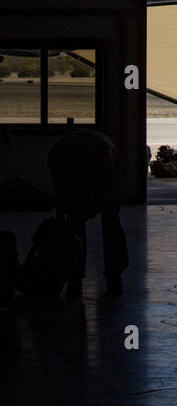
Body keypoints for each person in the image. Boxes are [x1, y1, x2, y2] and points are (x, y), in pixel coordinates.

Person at [47, 127, 129, 297]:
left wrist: (73, 213)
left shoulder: (62, 155)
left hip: (86, 160)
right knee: (110, 222)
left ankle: (74, 280)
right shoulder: (104, 151)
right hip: (96, 158)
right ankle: (113, 278)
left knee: (77, 224)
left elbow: (65, 196)